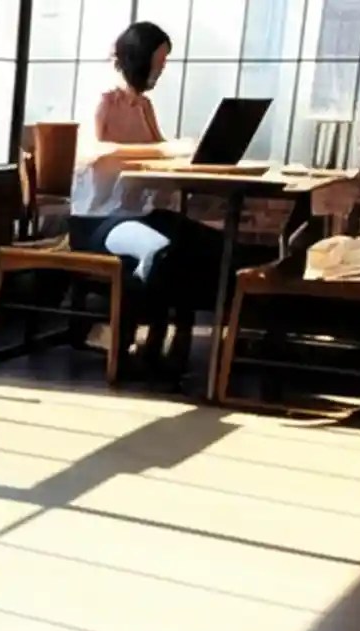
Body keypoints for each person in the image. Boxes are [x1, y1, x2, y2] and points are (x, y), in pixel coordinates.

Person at [69, 21, 225, 378]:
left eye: (163, 64)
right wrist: (162, 150)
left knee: (202, 243)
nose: (161, 71)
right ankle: (117, 336)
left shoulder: (143, 106)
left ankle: (173, 335)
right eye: (157, 64)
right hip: (98, 219)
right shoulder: (103, 98)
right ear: (137, 59)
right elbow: (93, 151)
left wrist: (186, 151)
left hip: (137, 213)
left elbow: (161, 148)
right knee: (160, 250)